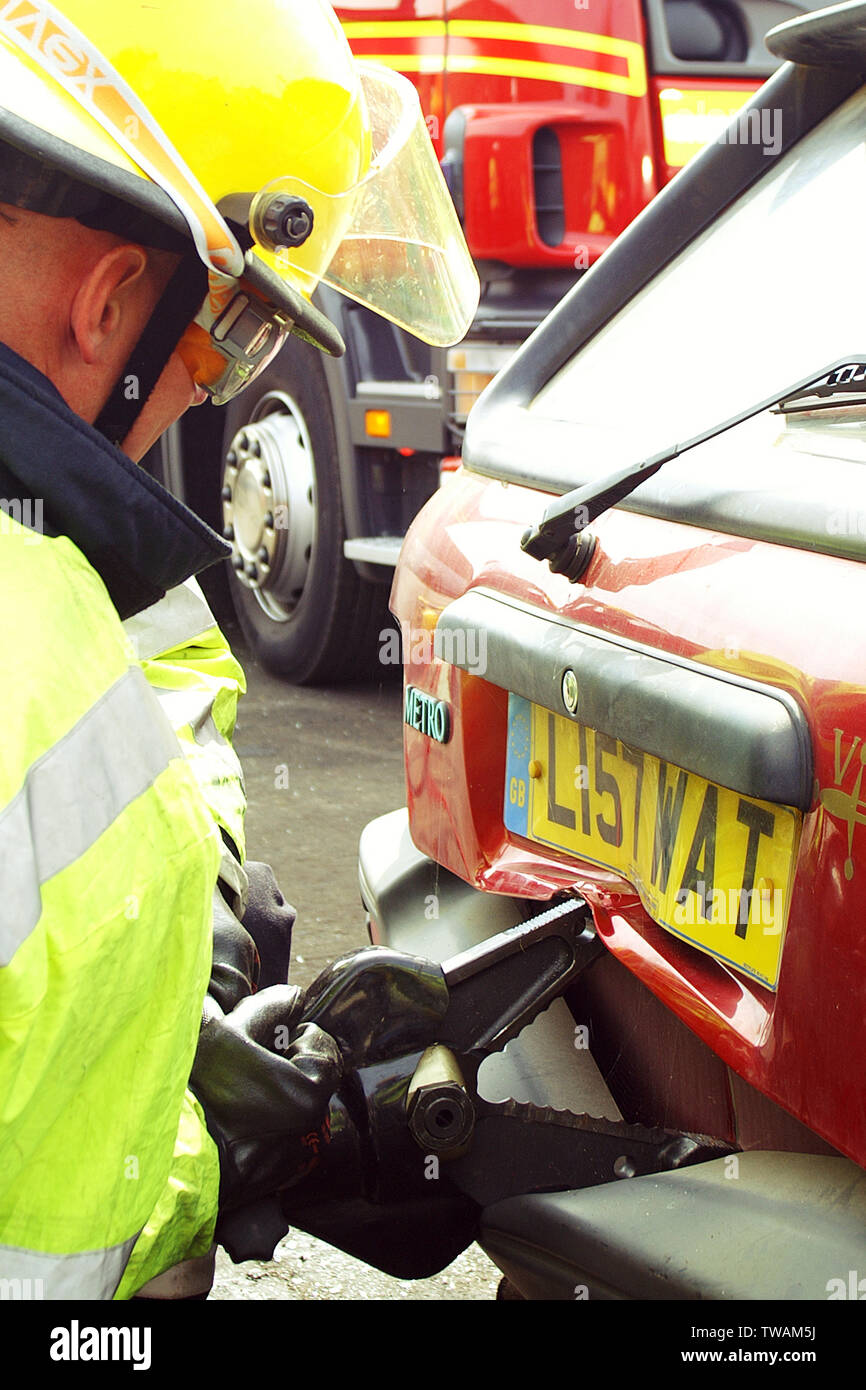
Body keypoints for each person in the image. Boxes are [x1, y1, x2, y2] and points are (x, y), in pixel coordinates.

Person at [0, 0, 477, 1299]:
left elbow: (151, 683)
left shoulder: (60, 547)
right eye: (239, 330)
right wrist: (204, 1154)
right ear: (109, 304)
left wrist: (195, 925)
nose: (218, 384)